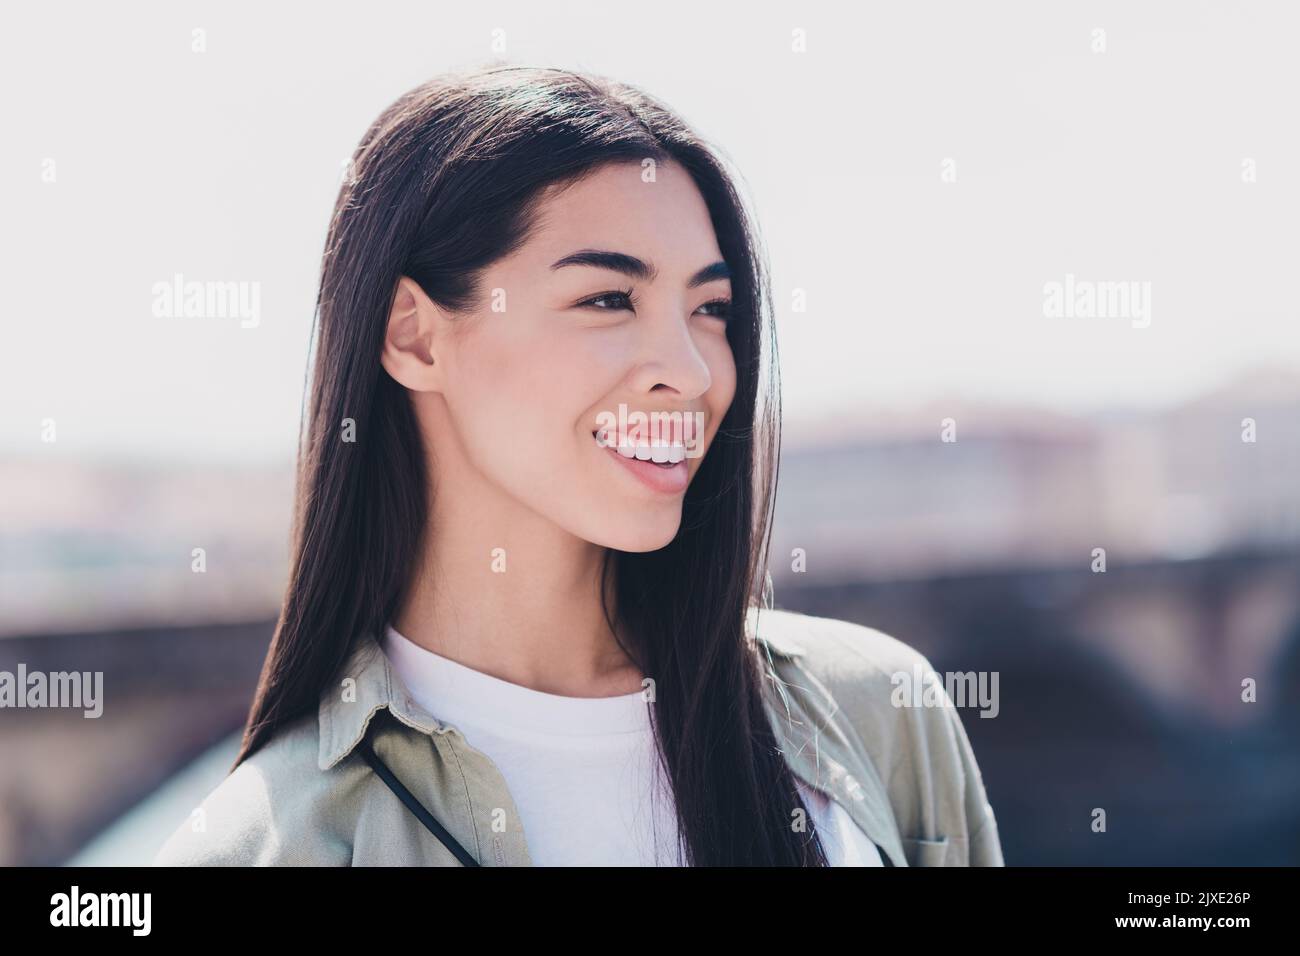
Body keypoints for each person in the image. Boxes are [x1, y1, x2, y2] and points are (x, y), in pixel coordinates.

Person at [153, 64, 1003, 867]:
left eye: (711, 309)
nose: (694, 370)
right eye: (608, 298)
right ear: (411, 334)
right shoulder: (274, 843)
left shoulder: (877, 714)